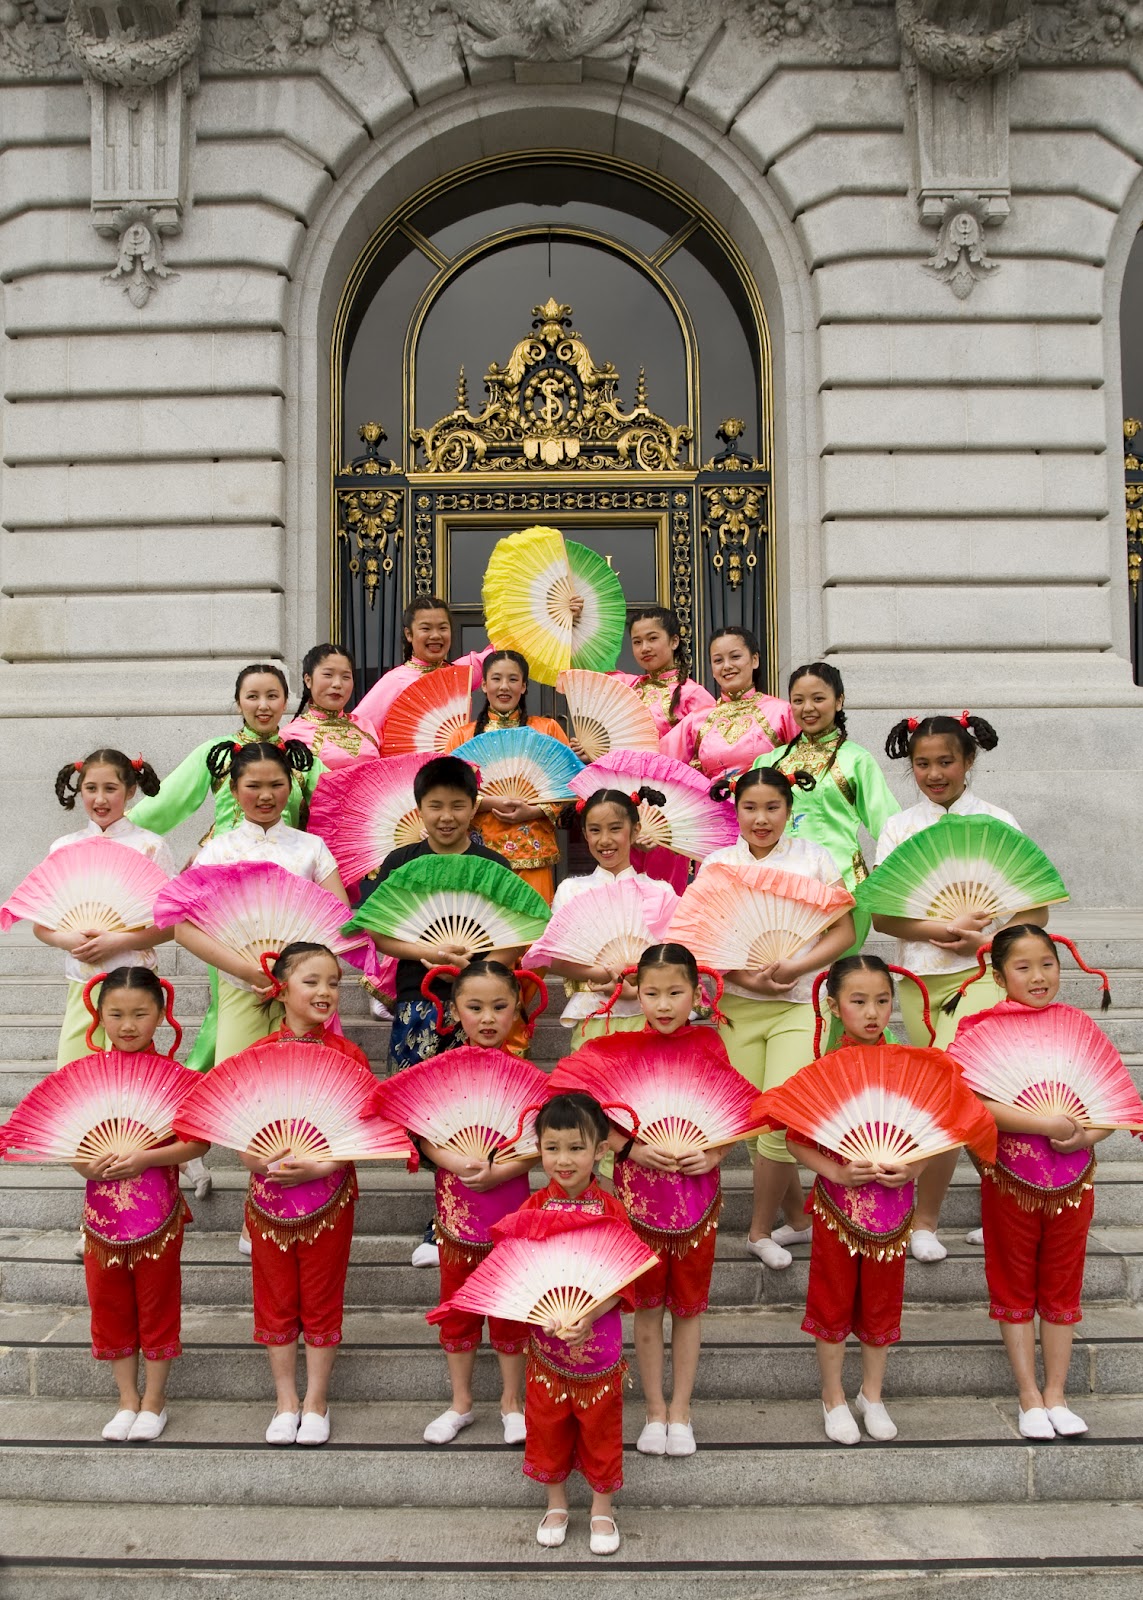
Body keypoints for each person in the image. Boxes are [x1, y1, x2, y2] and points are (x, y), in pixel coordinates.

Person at [873, 712, 1048, 1263]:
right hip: (921, 978)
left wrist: (985, 932)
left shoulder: (999, 821)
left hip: (984, 977)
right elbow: (884, 917)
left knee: (976, 1088)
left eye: (945, 761)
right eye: (921, 764)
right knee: (940, 1096)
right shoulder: (900, 828)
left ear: (969, 760)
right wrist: (939, 929)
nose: (933, 773)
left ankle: (987, 1210)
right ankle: (936, 1219)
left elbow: (1037, 907)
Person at [355, 754, 525, 1267]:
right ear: (419, 809)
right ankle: (446, 1213)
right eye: (436, 806)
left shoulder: (494, 865)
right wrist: (422, 953)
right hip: (418, 1002)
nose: (447, 816)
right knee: (425, 1112)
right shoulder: (400, 863)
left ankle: (466, 1213)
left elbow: (518, 932)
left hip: (479, 1009)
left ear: (475, 807)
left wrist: (481, 970)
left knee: (475, 1111)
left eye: (458, 805)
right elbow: (381, 932)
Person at [949, 926, 1113, 1440]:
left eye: (1047, 964)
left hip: (1073, 1179)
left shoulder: (1079, 1027)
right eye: (1023, 967)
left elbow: (1114, 1101)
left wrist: (1089, 1134)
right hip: (1010, 1179)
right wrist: (1045, 1123)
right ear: (998, 977)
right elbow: (971, 1105)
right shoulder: (980, 1030)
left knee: (1063, 1283)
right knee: (1014, 1280)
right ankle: (1028, 1395)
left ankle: (1058, 1394)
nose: (1038, 976)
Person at [130, 664, 326, 1074]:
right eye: (252, 696)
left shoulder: (301, 756)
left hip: (286, 883)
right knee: (230, 991)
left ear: (287, 701)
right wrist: (117, 832)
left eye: (272, 695)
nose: (263, 705)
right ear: (237, 701)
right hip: (224, 883)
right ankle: (206, 1075)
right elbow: (168, 801)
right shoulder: (216, 751)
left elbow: (333, 809)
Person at [702, 768, 856, 1270]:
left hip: (800, 1002)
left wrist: (797, 967)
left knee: (781, 1119)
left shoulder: (814, 859)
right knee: (752, 1121)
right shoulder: (718, 865)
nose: (761, 818)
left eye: (772, 808)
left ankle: (758, 1230)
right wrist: (746, 980)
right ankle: (799, 1216)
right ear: (736, 810)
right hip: (738, 1005)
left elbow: (843, 932)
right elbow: (702, 939)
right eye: (750, 808)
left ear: (789, 810)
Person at [589, 943, 733, 1458]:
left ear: (698, 993)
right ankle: (653, 1409)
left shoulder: (711, 1046)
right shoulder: (619, 1049)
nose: (664, 1004)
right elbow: (593, 1116)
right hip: (639, 1198)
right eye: (651, 994)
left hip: (696, 1198)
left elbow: (735, 1108)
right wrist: (631, 1148)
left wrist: (716, 1153)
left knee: (689, 1310)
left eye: (676, 993)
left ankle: (682, 1410)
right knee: (647, 1310)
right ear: (636, 994)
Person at [784, 955, 933, 1445]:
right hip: (837, 1208)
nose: (873, 1012)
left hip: (894, 1209)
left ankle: (873, 1393)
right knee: (832, 1302)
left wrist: (914, 1167)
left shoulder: (912, 1069)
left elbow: (941, 1134)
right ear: (833, 1006)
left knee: (883, 1303)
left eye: (883, 1001)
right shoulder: (824, 1071)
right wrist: (837, 1172)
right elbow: (795, 1141)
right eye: (859, 1001)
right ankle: (832, 1396)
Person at [498, 1091, 639, 1556]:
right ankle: (556, 1503)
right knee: (548, 1425)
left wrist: (587, 1314)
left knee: (600, 1427)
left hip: (598, 1343)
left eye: (576, 1148)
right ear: (538, 1148)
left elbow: (626, 1278)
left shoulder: (613, 1209)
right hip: (546, 1347)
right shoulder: (531, 1210)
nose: (563, 1159)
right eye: (552, 1147)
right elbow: (514, 1275)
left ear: (601, 1149)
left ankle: (602, 1508)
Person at [239, 943, 369, 1446]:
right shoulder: (254, 1058)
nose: (325, 992)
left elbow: (362, 1135)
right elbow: (240, 1137)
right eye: (312, 981)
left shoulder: (349, 1056)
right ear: (283, 987)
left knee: (321, 1298)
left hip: (329, 1197)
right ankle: (284, 1400)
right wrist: (262, 1162)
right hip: (270, 1199)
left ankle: (316, 1399)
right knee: (274, 1300)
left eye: (334, 983)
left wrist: (321, 1164)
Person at [71, 967, 208, 1442]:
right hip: (101, 1218)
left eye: (139, 1014)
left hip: (158, 1215)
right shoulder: (84, 1077)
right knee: (107, 1306)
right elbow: (75, 1147)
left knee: (156, 1305)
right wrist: (85, 1168)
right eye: (116, 1014)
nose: (127, 1024)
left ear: (160, 1016)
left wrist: (145, 1156)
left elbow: (197, 1146)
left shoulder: (177, 1078)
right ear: (99, 1016)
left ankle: (154, 1401)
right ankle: (125, 1399)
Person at [414, 960, 541, 1446]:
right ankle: (461, 1403)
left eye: (499, 1006)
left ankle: (512, 1402)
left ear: (517, 1011)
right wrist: (451, 1157)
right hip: (455, 1215)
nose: (487, 1017)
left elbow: (538, 1146)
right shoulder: (437, 1073)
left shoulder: (529, 1077)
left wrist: (502, 1170)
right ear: (455, 1011)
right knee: (459, 1310)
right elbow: (422, 1134)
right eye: (475, 1007)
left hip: (510, 1214)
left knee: (510, 1310)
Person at [170, 740, 347, 1067]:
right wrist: (246, 970)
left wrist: (299, 974)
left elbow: (339, 920)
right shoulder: (218, 852)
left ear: (290, 786)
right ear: (234, 791)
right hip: (241, 989)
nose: (266, 795)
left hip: (304, 993)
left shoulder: (312, 848)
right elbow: (182, 929)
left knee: (305, 1088)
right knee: (237, 1091)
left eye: (277, 785)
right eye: (253, 786)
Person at [37, 750, 174, 1070]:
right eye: (91, 788)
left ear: (130, 791)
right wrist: (66, 939)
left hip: (134, 985)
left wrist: (119, 941)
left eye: (110, 788)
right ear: (79, 789)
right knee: (74, 1082)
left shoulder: (150, 846)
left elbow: (173, 924)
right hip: (82, 982)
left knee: (132, 1085)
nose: (100, 798)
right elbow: (40, 924)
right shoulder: (63, 848)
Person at [542, 787, 679, 1049]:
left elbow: (674, 959)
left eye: (615, 828)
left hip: (650, 1015)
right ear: (584, 835)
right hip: (592, 1014)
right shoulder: (571, 890)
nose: (605, 840)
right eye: (595, 830)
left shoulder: (661, 891)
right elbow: (552, 958)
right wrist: (603, 973)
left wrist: (639, 983)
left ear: (635, 831)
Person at [753, 662, 898, 892]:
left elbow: (889, 825)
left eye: (818, 699)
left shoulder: (856, 760)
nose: (808, 708)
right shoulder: (768, 762)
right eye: (798, 700)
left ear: (839, 701)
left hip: (843, 884)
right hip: (779, 885)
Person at [445, 648, 572, 904]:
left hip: (533, 853)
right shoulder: (462, 736)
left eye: (513, 679)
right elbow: (449, 793)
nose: (505, 687)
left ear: (524, 686)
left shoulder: (547, 729)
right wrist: (492, 803)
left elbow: (570, 788)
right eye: (496, 679)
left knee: (532, 930)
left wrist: (534, 811)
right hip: (478, 854)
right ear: (483, 685)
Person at [661, 626, 796, 779]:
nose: (726, 666)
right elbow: (660, 761)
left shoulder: (782, 712)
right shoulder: (697, 720)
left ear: (755, 660)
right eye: (718, 660)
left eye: (735, 657)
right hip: (713, 801)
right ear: (712, 668)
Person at [354, 596, 490, 741]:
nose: (436, 635)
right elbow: (357, 731)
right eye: (426, 628)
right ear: (409, 634)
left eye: (443, 628)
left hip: (456, 761)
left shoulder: (462, 673)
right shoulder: (394, 682)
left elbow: (501, 652)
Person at [614, 606, 714, 735]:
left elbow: (710, 747)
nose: (644, 648)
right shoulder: (627, 686)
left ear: (674, 641)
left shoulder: (692, 694)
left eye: (652, 638)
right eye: (637, 642)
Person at [280, 644, 380, 768]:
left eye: (346, 677)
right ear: (308, 680)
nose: (337, 684)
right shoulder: (290, 735)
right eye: (328, 675)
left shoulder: (367, 727)